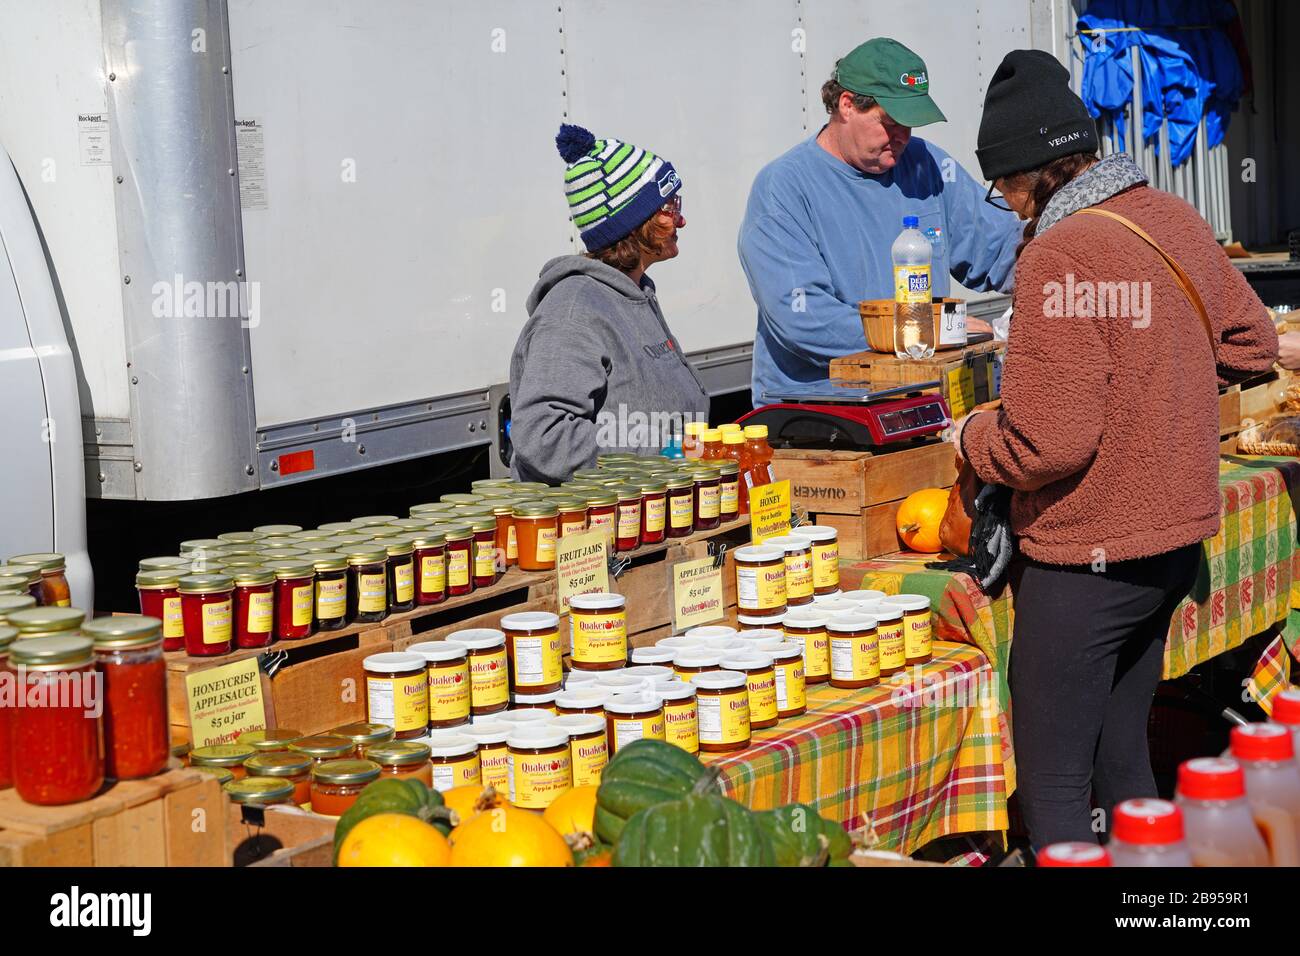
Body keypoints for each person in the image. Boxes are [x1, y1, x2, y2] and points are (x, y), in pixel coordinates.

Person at [953, 50, 1278, 849]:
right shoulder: (1169, 216)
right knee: (1122, 760)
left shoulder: (1058, 254)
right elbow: (1253, 344)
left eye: (1003, 186)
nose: (1005, 203)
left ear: (1032, 172)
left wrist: (969, 434)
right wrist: (1159, 372)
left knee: (1058, 785)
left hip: (1087, 559)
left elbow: (1047, 443)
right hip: (1170, 544)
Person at [737, 37, 1023, 405]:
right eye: (890, 122)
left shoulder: (926, 163)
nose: (902, 136)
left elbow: (1000, 247)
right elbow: (803, 317)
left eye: (911, 125)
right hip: (824, 413)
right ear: (846, 106)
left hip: (924, 397)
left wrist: (1061, 269)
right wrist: (922, 332)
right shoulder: (784, 187)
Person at [508, 125, 710, 485]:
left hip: (646, 520)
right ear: (632, 223)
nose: (681, 219)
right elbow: (543, 436)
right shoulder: (574, 311)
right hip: (588, 533)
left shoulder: (632, 293)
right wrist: (660, 459)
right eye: (668, 207)